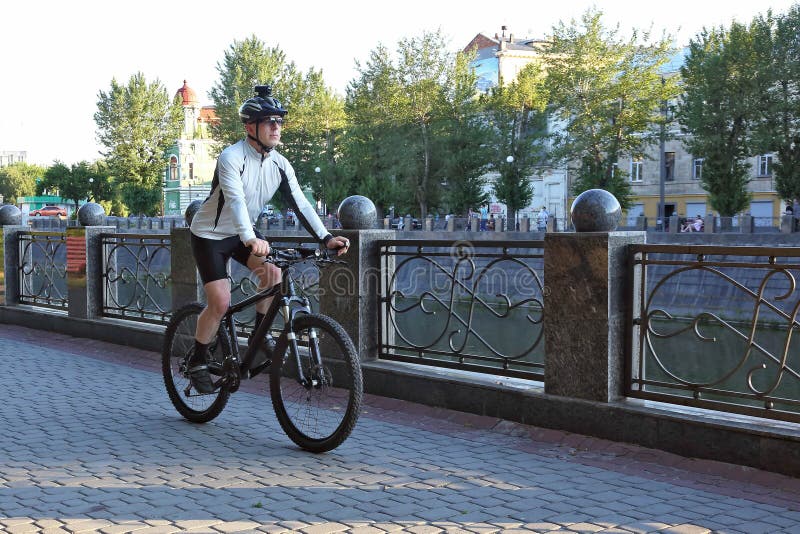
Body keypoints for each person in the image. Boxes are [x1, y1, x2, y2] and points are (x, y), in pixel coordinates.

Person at [187, 84, 349, 393]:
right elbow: (234, 201)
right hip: (210, 234)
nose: (276, 127)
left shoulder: (279, 163)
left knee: (273, 275)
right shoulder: (231, 157)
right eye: (269, 121)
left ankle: (259, 339)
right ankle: (198, 358)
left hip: (243, 232)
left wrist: (326, 237)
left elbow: (300, 203)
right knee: (220, 302)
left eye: (279, 121)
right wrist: (250, 238)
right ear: (250, 127)